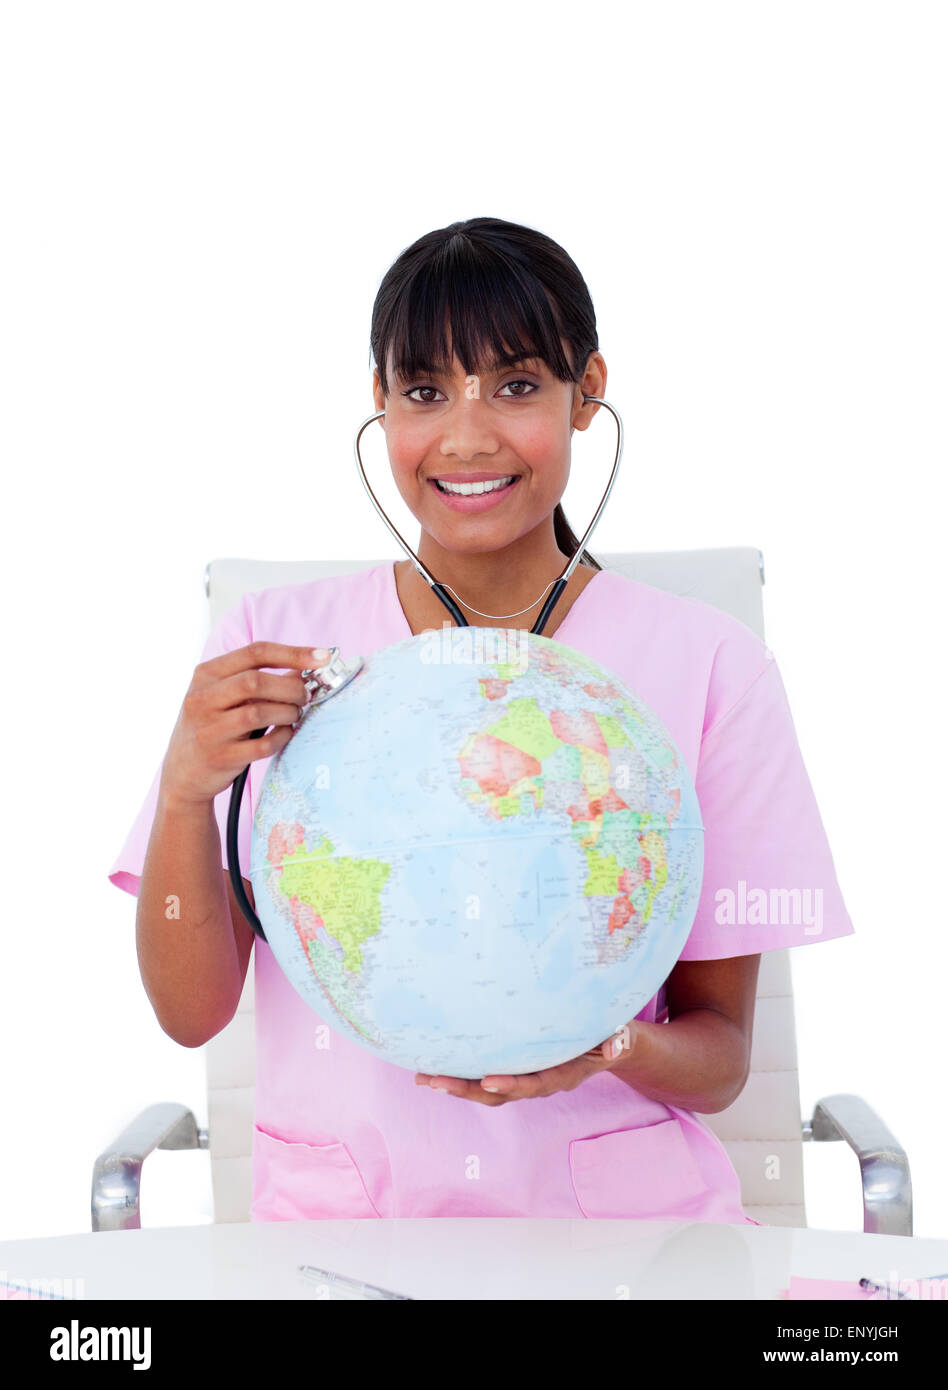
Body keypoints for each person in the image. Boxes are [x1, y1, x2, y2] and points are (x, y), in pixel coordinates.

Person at [108, 216, 855, 1225]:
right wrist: (186, 794)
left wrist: (612, 1046)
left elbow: (720, 1055)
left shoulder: (713, 663)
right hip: (347, 1237)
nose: (465, 437)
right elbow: (190, 1013)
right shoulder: (270, 645)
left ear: (588, 391)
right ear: (379, 401)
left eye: (515, 385)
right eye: (424, 391)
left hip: (622, 1244)